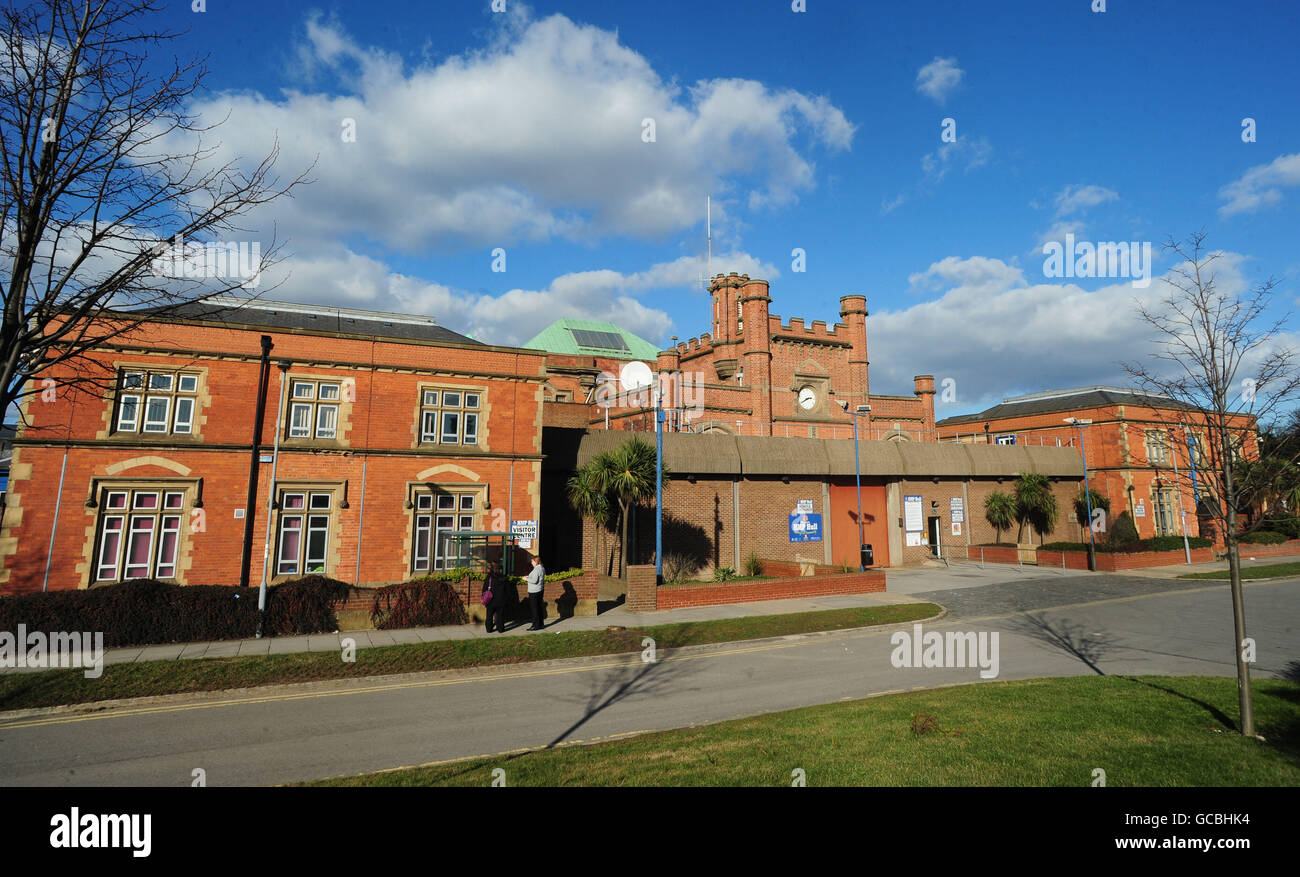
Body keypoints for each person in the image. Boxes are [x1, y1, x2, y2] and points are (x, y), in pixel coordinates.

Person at [484, 560, 510, 633]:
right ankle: (500, 629)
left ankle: (489, 629)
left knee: (489, 615)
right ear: (500, 569)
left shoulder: (489, 577)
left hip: (490, 600)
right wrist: (506, 599)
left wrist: (483, 596)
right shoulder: (504, 578)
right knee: (500, 616)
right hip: (501, 600)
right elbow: (507, 590)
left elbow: (485, 588)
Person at [525, 555, 546, 630]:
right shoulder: (542, 568)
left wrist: (526, 579)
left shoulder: (537, 569)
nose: (531, 562)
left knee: (534, 609)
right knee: (539, 608)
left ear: (535, 561)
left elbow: (534, 581)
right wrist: (529, 577)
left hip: (534, 592)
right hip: (540, 590)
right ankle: (541, 624)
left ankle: (535, 625)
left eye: (532, 561)